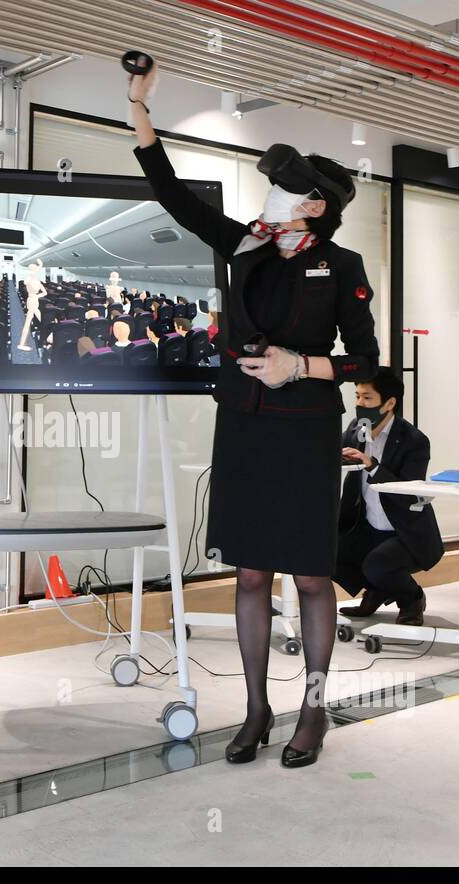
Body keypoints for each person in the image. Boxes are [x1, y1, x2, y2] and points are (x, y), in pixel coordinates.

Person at [126, 59, 379, 768]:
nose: (271, 196)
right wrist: (140, 109)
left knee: (309, 576)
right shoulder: (246, 246)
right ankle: (256, 707)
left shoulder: (345, 266)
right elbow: (173, 196)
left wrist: (300, 366)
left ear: (315, 207)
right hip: (242, 422)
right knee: (248, 574)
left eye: (287, 189)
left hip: (302, 431)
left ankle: (314, 709)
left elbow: (370, 365)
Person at [335, 368, 444, 626]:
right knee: (327, 552)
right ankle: (376, 589)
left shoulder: (414, 441)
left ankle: (412, 598)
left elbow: (408, 492)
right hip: (366, 527)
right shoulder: (355, 429)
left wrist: (372, 465)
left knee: (378, 564)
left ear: (390, 403)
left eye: (368, 398)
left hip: (406, 532)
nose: (360, 404)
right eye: (357, 396)